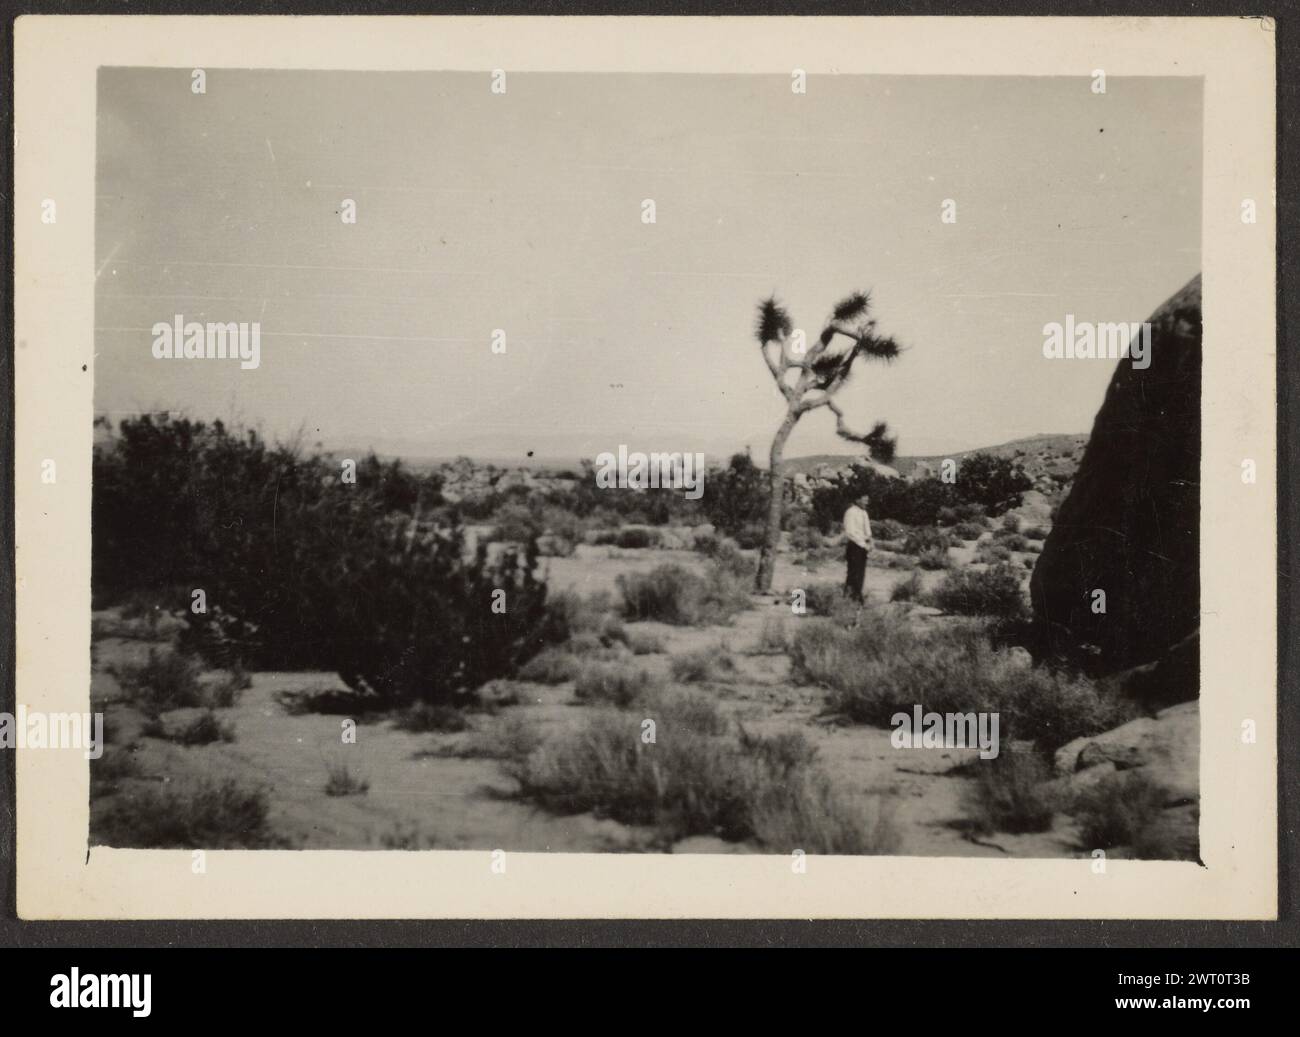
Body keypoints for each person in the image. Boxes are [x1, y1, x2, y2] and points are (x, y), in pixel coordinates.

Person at [843, 494, 873, 603]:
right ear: (857, 499)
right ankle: (851, 597)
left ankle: (856, 596)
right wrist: (863, 544)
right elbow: (850, 533)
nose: (866, 502)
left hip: (863, 547)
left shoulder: (864, 513)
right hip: (854, 546)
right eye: (864, 500)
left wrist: (870, 542)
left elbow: (867, 530)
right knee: (853, 572)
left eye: (867, 500)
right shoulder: (851, 512)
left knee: (861, 573)